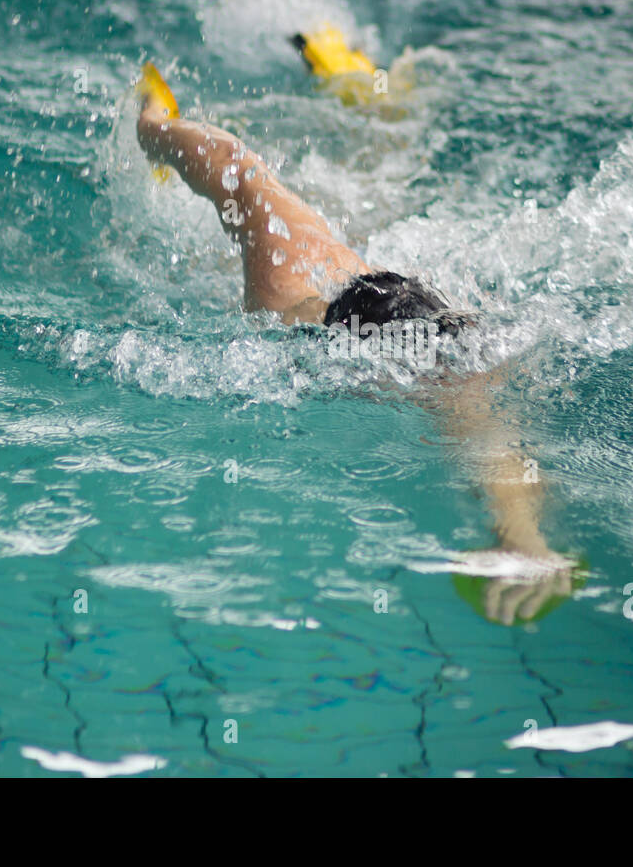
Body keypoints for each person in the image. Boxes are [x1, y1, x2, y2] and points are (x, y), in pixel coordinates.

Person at [136, 55, 576, 625]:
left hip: (382, 294)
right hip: (328, 279)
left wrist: (524, 540)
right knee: (254, 203)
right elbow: (234, 166)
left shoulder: (454, 367)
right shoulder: (284, 298)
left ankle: (381, 109)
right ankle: (375, 111)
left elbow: (501, 461)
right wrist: (154, 127)